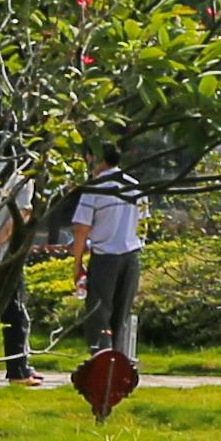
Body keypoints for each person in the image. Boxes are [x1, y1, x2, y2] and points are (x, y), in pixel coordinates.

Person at [66, 154, 147, 359]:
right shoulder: (135, 186)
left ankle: (100, 361)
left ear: (95, 158)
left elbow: (81, 228)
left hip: (105, 258)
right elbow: (144, 224)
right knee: (120, 317)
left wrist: (77, 265)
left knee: (98, 315)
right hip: (131, 257)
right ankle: (116, 363)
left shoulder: (96, 188)